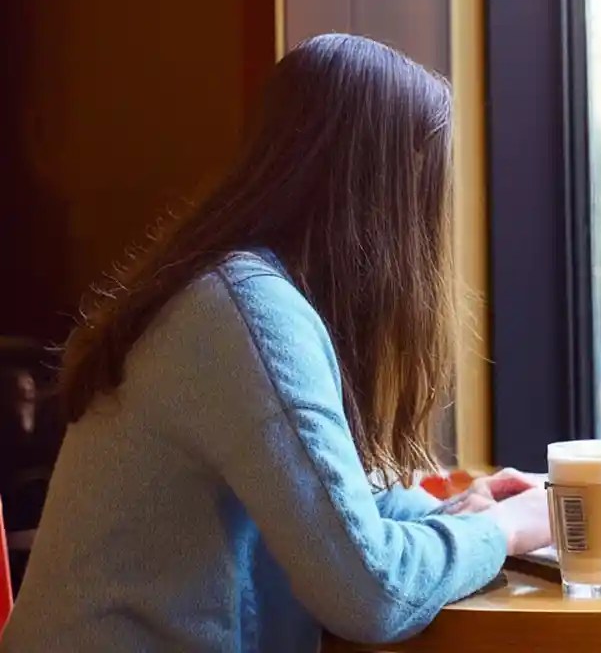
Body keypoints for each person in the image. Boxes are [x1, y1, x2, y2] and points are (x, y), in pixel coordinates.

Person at [0, 34, 551, 652]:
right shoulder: (244, 314)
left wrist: (463, 512)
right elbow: (371, 594)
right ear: (388, 200)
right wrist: (504, 529)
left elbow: (329, 520)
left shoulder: (230, 294)